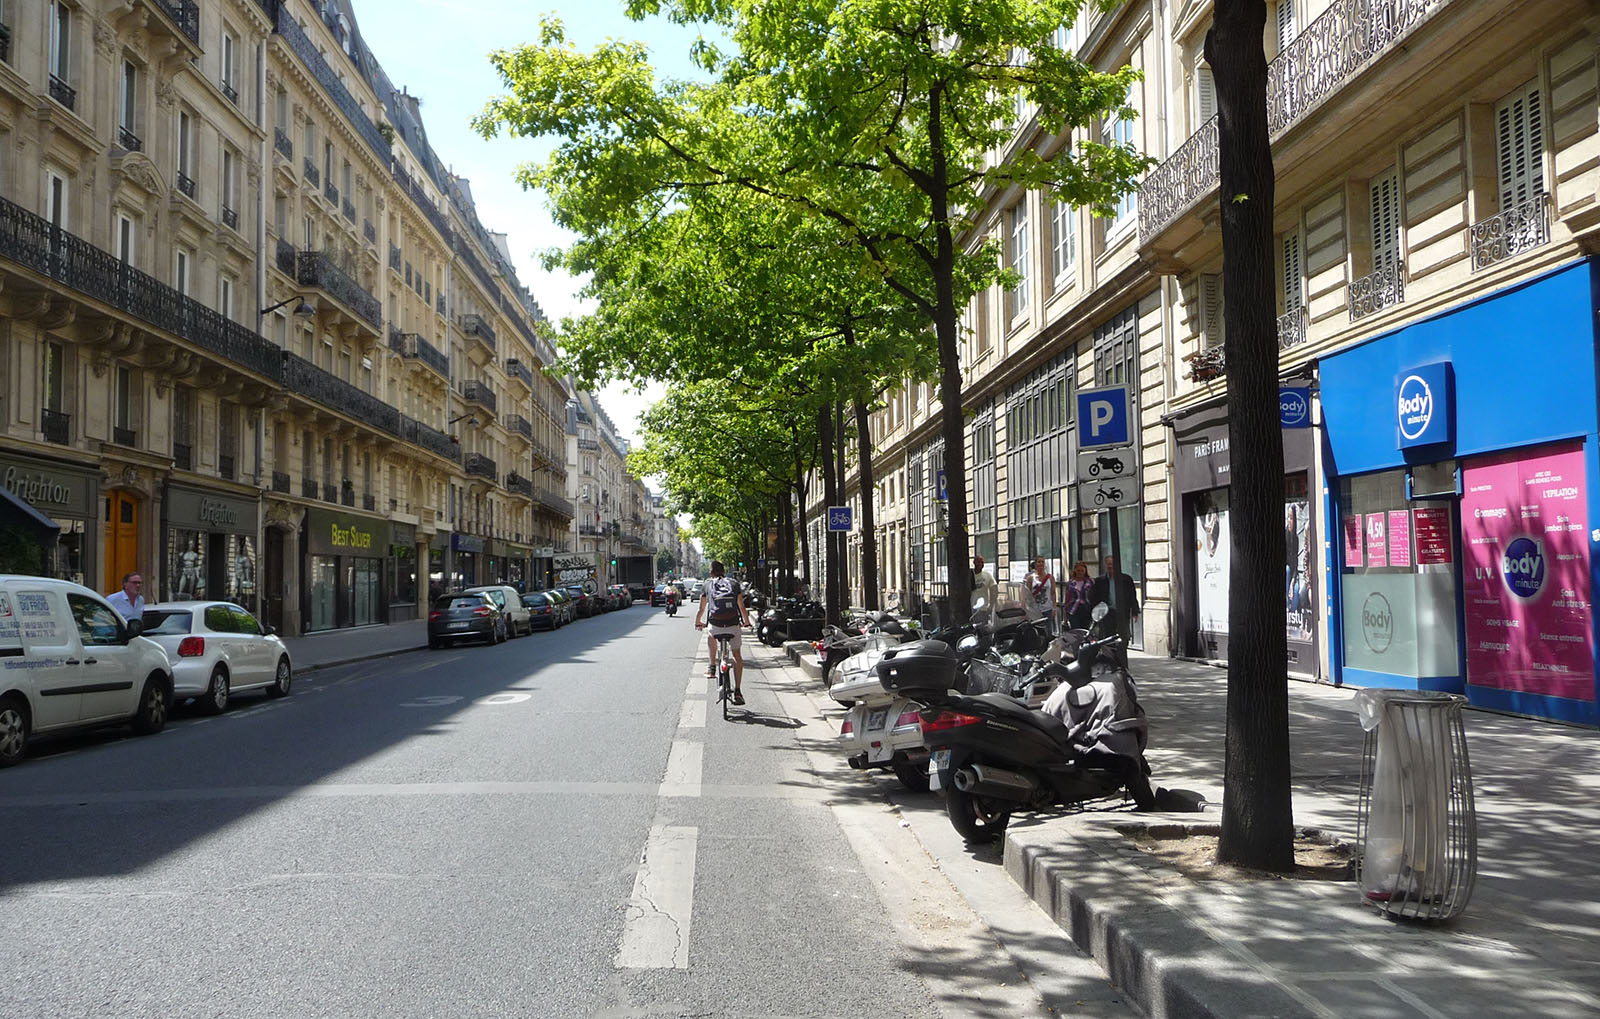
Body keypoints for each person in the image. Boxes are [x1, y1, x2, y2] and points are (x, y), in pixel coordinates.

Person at [696, 560, 751, 704]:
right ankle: (738, 691)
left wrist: (698, 622)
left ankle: (712, 667)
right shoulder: (733, 584)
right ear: (724, 571)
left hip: (716, 624)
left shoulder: (707, 585)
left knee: (710, 634)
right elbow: (742, 607)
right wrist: (746, 622)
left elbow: (701, 609)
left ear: (711, 572)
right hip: (733, 624)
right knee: (737, 656)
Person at [1092, 555, 1141, 642]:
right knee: (1107, 637)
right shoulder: (1100, 581)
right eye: (1108, 564)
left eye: (1112, 564)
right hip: (1107, 613)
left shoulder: (1126, 579)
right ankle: (1110, 654)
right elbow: (1094, 597)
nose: (1110, 566)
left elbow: (1132, 596)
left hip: (1122, 612)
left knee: (1124, 636)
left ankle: (1121, 654)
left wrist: (1135, 611)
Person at [1024, 556, 1056, 634]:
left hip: (1047, 609)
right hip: (1035, 610)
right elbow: (1026, 594)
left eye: (1042, 562)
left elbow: (1053, 593)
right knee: (1036, 632)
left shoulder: (1050, 577)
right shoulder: (1030, 578)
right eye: (1039, 562)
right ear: (1035, 564)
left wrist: (1054, 607)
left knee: (1048, 632)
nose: (1041, 564)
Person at [1062, 561, 1094, 631]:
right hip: (1073, 609)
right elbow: (1067, 599)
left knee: (1085, 631)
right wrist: (1065, 617)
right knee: (1076, 631)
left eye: (1082, 571)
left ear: (1085, 571)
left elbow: (1094, 595)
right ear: (1075, 571)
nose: (1080, 573)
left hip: (1086, 609)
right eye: (1078, 570)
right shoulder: (1071, 583)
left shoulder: (1090, 582)